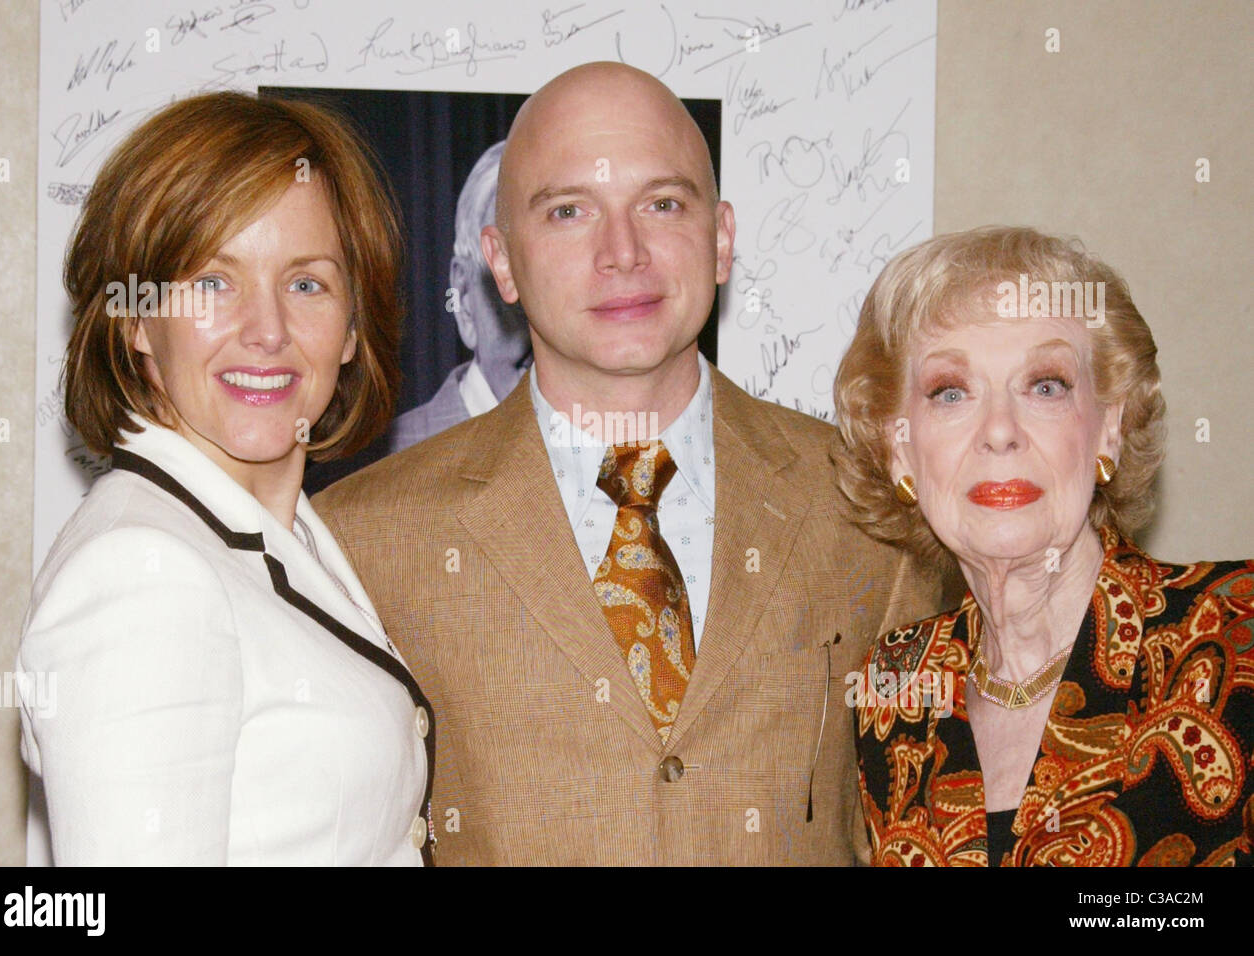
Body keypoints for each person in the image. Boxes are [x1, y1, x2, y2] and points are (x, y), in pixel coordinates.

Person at [312, 61, 948, 865]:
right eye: (570, 211)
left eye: (662, 203)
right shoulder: (362, 539)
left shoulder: (868, 504)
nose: (624, 252)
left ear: (720, 240)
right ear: (500, 261)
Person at [17, 92, 435, 865]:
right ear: (136, 319)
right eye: (213, 281)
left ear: (351, 329)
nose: (267, 330)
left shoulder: (285, 534)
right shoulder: (142, 575)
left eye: (306, 283)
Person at [834, 225, 1254, 866]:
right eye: (951, 392)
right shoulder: (895, 685)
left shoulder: (1235, 629)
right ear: (899, 449)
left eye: (1046, 385)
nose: (1000, 431)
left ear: (1109, 429)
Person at [387, 139, 532, 453]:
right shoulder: (373, 472)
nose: (547, 324)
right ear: (464, 298)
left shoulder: (635, 450)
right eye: (517, 279)